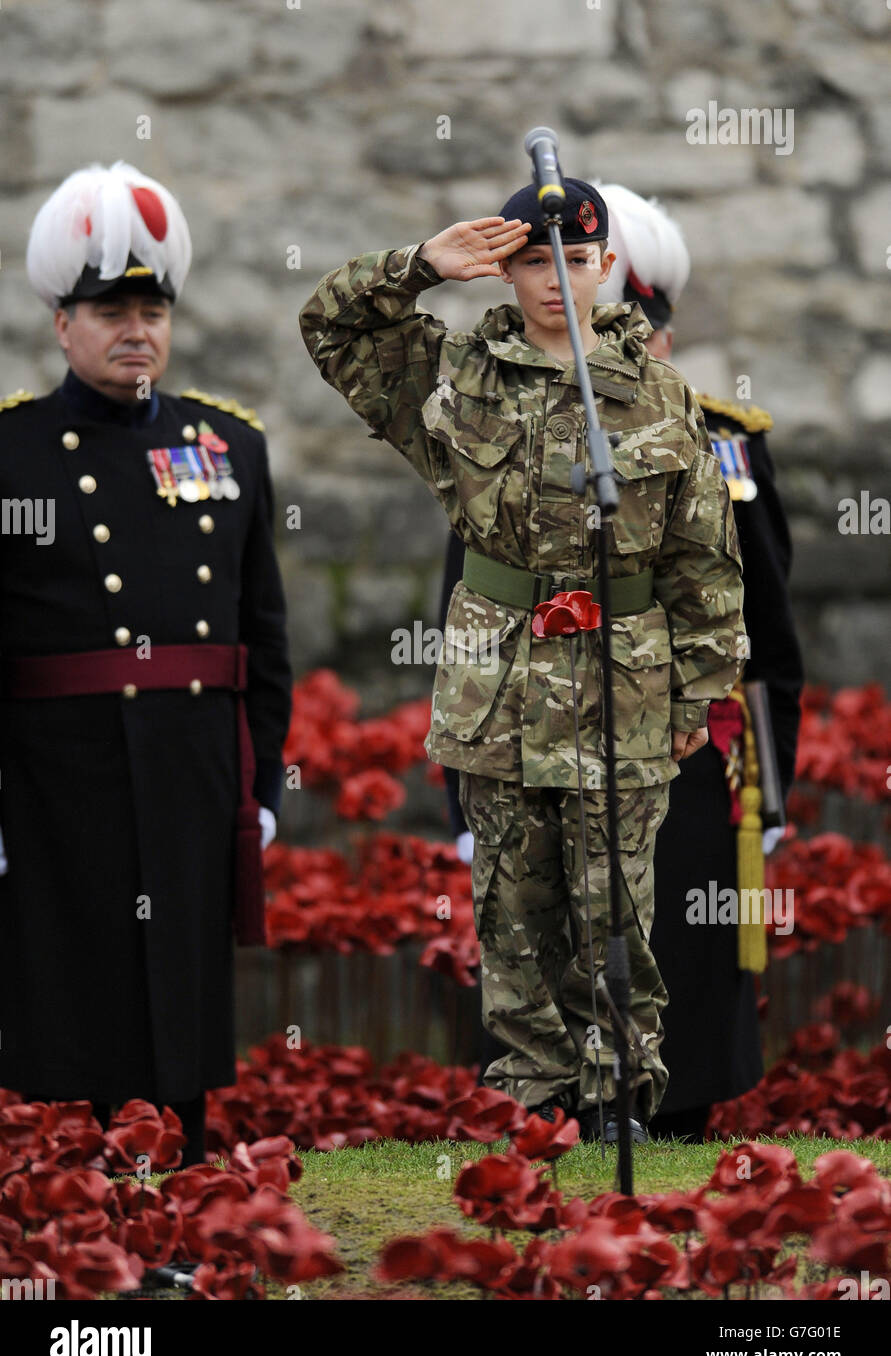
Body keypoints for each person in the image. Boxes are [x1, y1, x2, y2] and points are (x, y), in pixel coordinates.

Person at [300, 178, 747, 1142]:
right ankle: (534, 1106)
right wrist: (420, 265)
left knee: (617, 900)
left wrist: (698, 696)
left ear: (604, 268)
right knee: (510, 903)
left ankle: (619, 1097)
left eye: (573, 262)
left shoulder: (658, 395)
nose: (554, 280)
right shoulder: (456, 375)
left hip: (622, 684)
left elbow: (703, 563)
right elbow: (330, 330)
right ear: (505, 268)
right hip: (500, 682)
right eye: (534, 261)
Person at [439, 184, 803, 1137]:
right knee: (541, 927)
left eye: (642, 320)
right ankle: (554, 1111)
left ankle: (660, 1116)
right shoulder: (501, 422)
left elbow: (764, 633)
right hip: (532, 722)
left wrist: (770, 794)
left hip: (684, 740)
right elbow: (477, 605)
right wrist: (459, 798)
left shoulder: (717, 441)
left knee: (668, 938)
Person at [0, 162, 293, 1167]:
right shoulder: (14, 453)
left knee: (180, 978)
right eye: (112, 309)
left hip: (192, 770)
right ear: (62, 324)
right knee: (73, 978)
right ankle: (73, 1200)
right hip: (56, 775)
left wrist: (262, 783)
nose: (138, 330)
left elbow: (265, 635)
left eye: (153, 309)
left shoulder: (231, 445)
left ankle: (186, 1173)